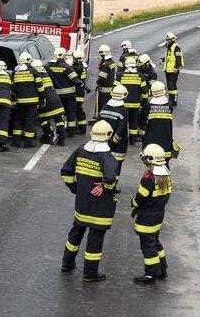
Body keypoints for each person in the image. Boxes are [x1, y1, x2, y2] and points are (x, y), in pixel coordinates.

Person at [60, 121, 119, 283]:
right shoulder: (107, 156)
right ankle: (90, 273)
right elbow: (111, 178)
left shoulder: (80, 150)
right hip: (99, 207)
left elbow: (65, 172)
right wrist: (105, 187)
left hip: (82, 203)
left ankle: (67, 263)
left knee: (76, 232)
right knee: (95, 238)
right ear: (108, 136)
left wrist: (76, 188)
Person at [131, 144, 172, 284]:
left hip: (146, 219)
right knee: (155, 242)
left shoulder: (148, 179)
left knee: (148, 247)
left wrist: (133, 203)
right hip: (158, 216)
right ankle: (162, 270)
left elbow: (139, 198)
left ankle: (150, 275)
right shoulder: (166, 176)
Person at [98, 84, 129, 186]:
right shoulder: (123, 110)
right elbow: (121, 129)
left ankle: (102, 183)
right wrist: (113, 142)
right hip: (117, 145)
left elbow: (98, 124)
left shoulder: (104, 107)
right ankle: (112, 186)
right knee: (116, 167)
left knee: (103, 164)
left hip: (103, 142)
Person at [47, 48, 83, 137]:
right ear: (63, 56)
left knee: (59, 113)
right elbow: (75, 80)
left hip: (57, 95)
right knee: (70, 113)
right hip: (69, 95)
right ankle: (71, 132)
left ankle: (60, 130)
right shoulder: (67, 67)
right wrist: (82, 85)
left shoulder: (48, 66)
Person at [33, 59, 67, 146]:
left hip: (46, 99)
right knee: (58, 118)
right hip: (55, 98)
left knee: (43, 118)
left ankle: (48, 136)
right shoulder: (46, 73)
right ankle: (62, 138)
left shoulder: (36, 75)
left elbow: (38, 89)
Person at [144, 81, 179, 162]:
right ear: (164, 90)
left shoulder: (148, 106)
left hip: (150, 141)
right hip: (166, 141)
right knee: (165, 165)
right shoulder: (169, 106)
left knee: (149, 165)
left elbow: (142, 119)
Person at [116, 56, 147, 146]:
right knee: (134, 123)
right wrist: (145, 102)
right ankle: (132, 141)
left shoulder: (120, 75)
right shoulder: (140, 76)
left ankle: (121, 139)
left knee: (122, 123)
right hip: (135, 105)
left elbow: (115, 88)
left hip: (123, 105)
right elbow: (144, 92)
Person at [11, 52, 40, 148]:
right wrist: (42, 98)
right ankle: (28, 143)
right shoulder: (34, 71)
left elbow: (13, 87)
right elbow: (40, 87)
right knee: (29, 121)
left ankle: (16, 142)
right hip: (32, 102)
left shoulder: (15, 72)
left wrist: (14, 99)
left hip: (20, 102)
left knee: (18, 120)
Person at [94, 44, 117, 116]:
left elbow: (102, 77)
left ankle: (102, 117)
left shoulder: (105, 64)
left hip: (104, 89)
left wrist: (98, 83)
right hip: (110, 87)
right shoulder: (111, 62)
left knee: (103, 105)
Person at [162, 32, 184, 107]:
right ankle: (171, 100)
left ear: (172, 40)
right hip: (168, 70)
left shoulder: (176, 47)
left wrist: (176, 67)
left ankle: (174, 101)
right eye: (167, 40)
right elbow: (169, 58)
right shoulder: (169, 48)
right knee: (169, 86)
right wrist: (163, 60)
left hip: (173, 70)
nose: (167, 41)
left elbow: (178, 58)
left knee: (173, 86)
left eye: (168, 40)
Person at [71, 49, 89, 135]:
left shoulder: (77, 68)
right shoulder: (82, 66)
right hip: (80, 91)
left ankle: (79, 128)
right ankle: (81, 127)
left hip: (77, 91)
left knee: (76, 109)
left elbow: (74, 79)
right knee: (78, 109)